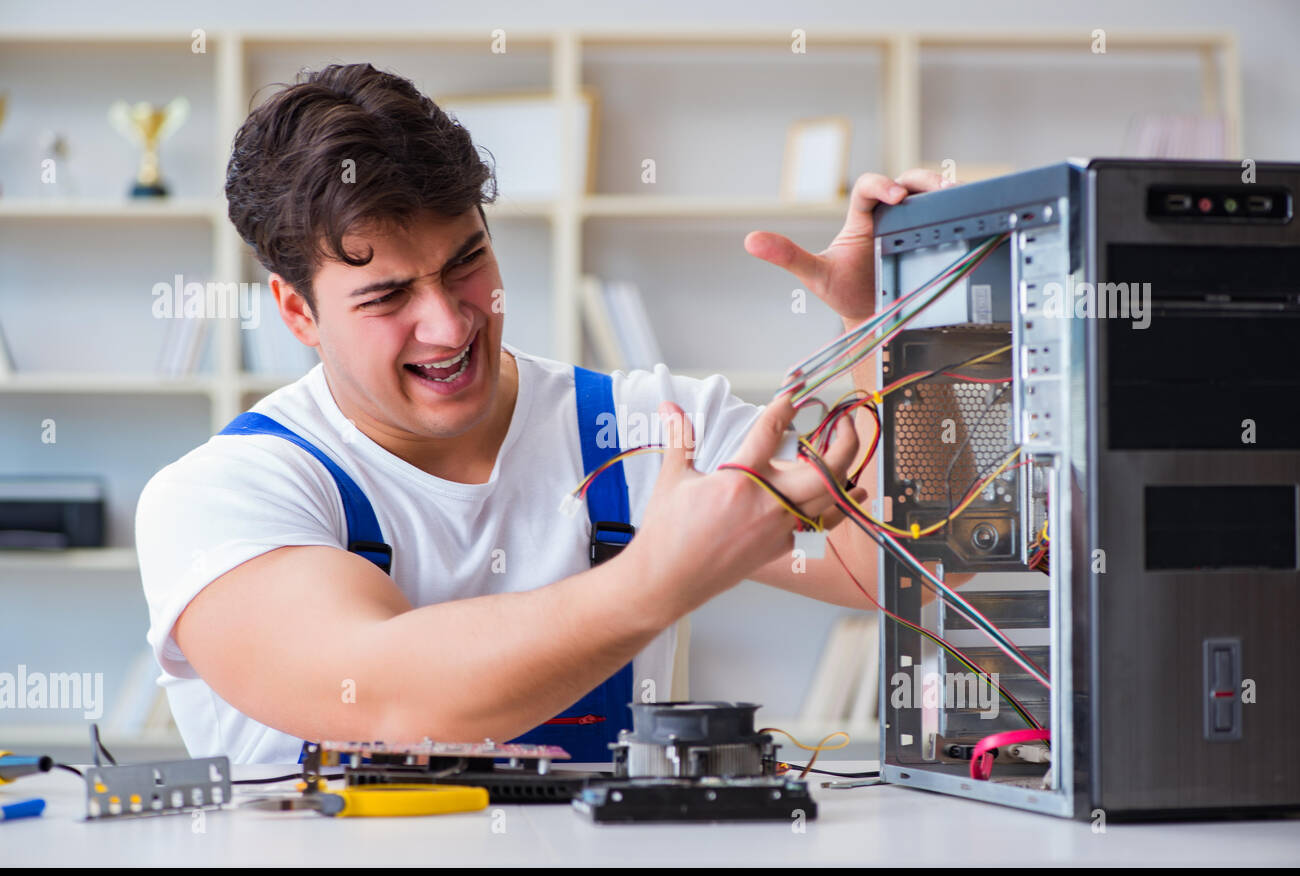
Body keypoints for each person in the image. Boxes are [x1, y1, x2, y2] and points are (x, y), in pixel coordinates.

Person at [134, 63, 945, 764]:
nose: (451, 325)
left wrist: (900, 337)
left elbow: (901, 564)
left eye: (467, 263)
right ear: (298, 313)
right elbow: (389, 697)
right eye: (387, 296)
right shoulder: (220, 496)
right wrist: (657, 577)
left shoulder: (650, 427)